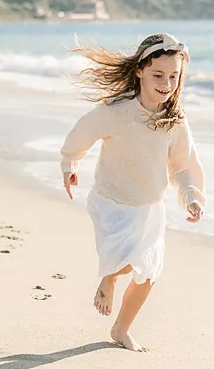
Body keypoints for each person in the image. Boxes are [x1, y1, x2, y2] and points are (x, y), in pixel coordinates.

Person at [60, 33, 206, 352]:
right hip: (112, 202)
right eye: (158, 75)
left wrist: (191, 194)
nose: (166, 83)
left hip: (150, 209)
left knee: (148, 275)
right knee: (128, 262)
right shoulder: (116, 111)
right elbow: (81, 135)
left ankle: (121, 329)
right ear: (139, 70)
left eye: (173, 76)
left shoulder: (174, 121)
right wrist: (71, 163)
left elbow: (182, 166)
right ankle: (109, 279)